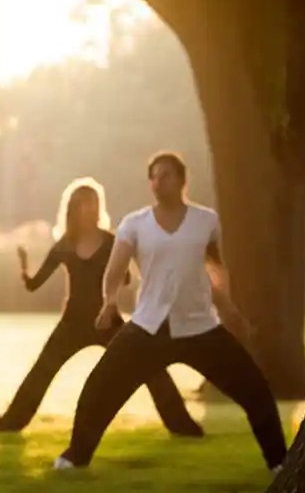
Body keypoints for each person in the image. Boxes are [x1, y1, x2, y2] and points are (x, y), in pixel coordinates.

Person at [54, 153, 287, 473]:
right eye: (153, 176)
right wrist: (110, 300)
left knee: (254, 388)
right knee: (100, 388)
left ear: (181, 180)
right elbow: (114, 270)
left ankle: (279, 462)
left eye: (165, 175)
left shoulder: (205, 221)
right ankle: (75, 456)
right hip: (148, 327)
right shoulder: (135, 224)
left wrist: (229, 309)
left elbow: (215, 269)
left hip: (199, 327)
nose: (157, 182)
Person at [0, 178, 202, 436]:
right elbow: (34, 284)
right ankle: (10, 424)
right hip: (73, 321)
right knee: (41, 372)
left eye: (94, 204)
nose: (90, 209)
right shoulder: (64, 245)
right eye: (84, 204)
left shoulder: (112, 241)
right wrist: (23, 267)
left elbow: (125, 280)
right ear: (73, 209)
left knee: (150, 366)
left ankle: (183, 426)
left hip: (107, 320)